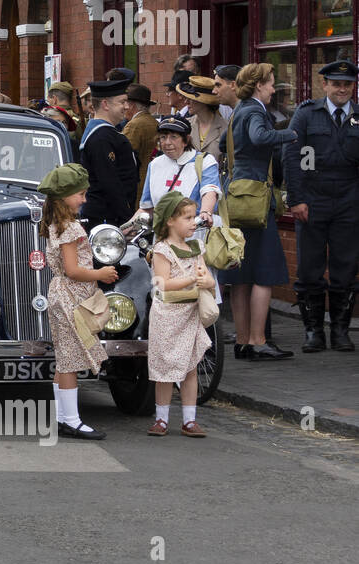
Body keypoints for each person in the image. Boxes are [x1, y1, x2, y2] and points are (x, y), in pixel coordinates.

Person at [221, 62, 298, 361]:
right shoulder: (254, 110)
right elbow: (260, 137)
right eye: (270, 82)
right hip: (255, 198)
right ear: (257, 86)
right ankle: (258, 340)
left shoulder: (239, 109)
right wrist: (290, 134)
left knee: (241, 276)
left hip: (238, 196)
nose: (273, 88)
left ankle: (242, 340)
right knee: (264, 273)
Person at [284, 59, 359, 353]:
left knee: (345, 267)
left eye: (348, 84)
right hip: (312, 201)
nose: (342, 89)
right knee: (310, 268)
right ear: (324, 85)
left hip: (350, 201)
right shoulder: (306, 115)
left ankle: (340, 331)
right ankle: (313, 331)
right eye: (336, 84)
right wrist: (297, 199)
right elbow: (293, 159)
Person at [37, 163, 116, 440]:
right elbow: (72, 270)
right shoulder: (69, 228)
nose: (84, 199)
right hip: (71, 295)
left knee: (64, 359)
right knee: (70, 361)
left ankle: (61, 416)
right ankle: (71, 420)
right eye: (80, 194)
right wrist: (101, 273)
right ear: (63, 196)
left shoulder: (57, 224)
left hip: (61, 294)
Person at [146, 191, 215, 438]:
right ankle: (161, 419)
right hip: (167, 314)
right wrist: (191, 279)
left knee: (190, 368)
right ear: (170, 221)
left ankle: (189, 420)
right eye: (187, 217)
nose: (193, 222)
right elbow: (161, 283)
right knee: (164, 369)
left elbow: (206, 277)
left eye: (193, 217)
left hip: (190, 314)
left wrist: (206, 280)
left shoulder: (196, 247)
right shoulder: (162, 249)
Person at [79, 79, 137, 229]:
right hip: (106, 219)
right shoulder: (101, 137)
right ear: (105, 104)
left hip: (110, 216)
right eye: (122, 102)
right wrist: (127, 219)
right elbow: (110, 183)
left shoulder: (106, 133)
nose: (126, 106)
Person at [177, 75, 228, 165]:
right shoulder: (185, 125)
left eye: (191, 98)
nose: (186, 102)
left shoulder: (226, 127)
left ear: (204, 101)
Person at [122, 83, 159, 204]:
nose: (123, 108)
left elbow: (123, 157)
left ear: (131, 105)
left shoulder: (134, 125)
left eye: (124, 103)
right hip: (153, 183)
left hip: (138, 187)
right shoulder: (154, 122)